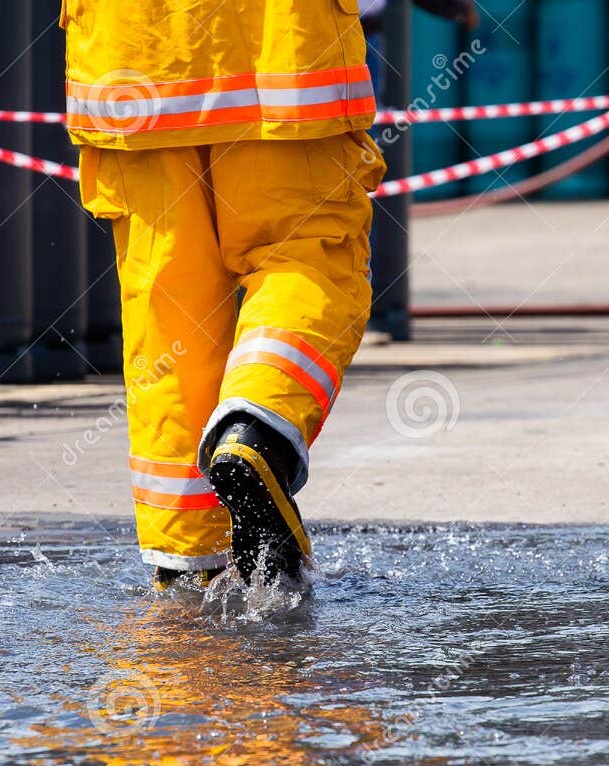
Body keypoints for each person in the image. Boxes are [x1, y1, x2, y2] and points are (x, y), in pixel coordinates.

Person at [62, 0, 385, 592]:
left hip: (132, 63)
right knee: (306, 254)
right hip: (280, 60)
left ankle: (191, 566)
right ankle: (258, 428)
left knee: (168, 314)